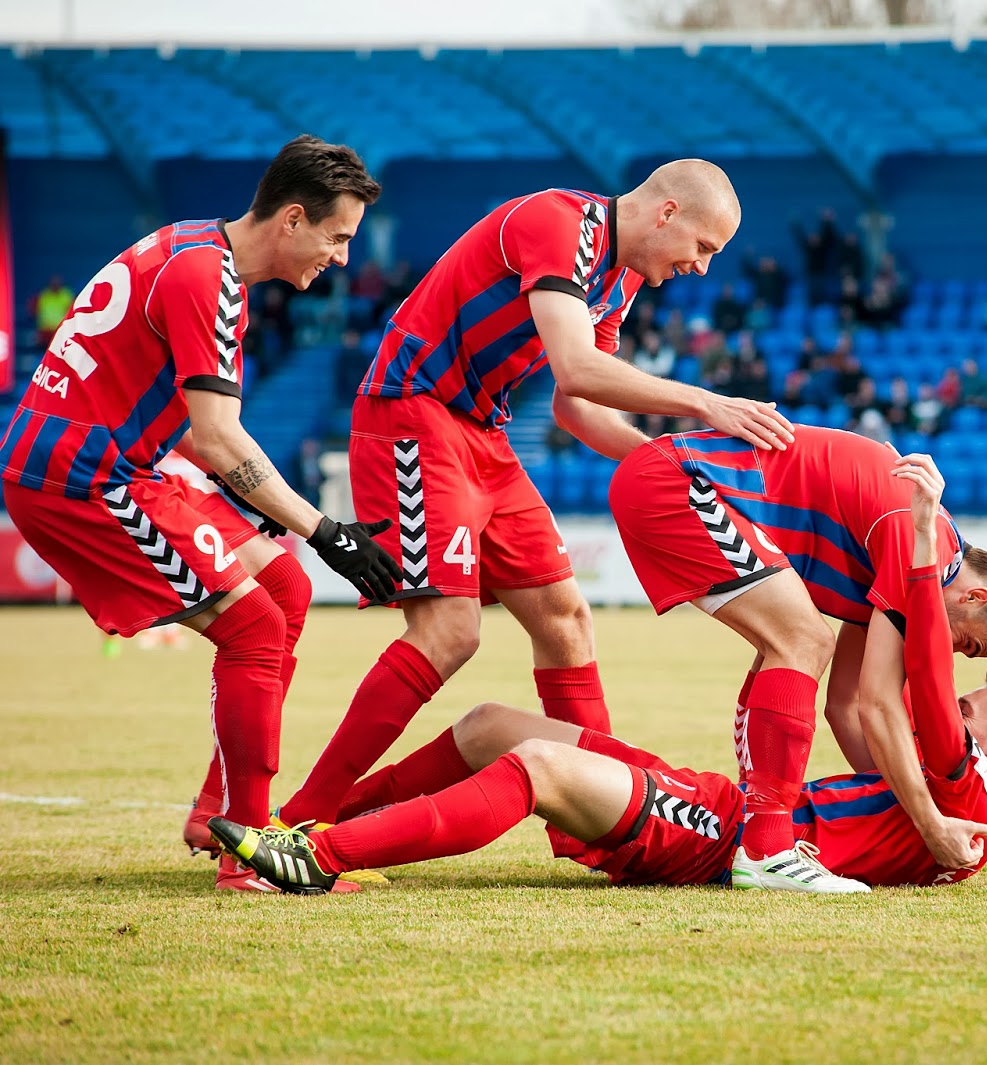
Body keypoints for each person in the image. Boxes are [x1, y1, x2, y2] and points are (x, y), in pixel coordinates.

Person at [206, 456, 987, 895]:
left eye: (971, 690)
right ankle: (303, 817)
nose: (948, 685)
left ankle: (314, 855)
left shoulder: (969, 800)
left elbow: (903, 717)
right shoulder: (933, 799)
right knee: (492, 724)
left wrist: (915, 537)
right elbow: (869, 725)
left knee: (533, 768)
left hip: (720, 840)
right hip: (720, 807)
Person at [270, 160, 794, 836]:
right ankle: (305, 815)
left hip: (481, 429)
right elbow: (576, 365)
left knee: (565, 617)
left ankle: (595, 825)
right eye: (702, 247)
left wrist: (673, 465)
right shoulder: (559, 222)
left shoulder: (623, 274)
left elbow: (578, 407)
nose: (701, 267)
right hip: (413, 410)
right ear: (666, 214)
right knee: (449, 632)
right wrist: (708, 405)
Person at [0, 135, 398, 892]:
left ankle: (216, 807)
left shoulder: (195, 250)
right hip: (82, 476)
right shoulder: (207, 278)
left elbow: (185, 417)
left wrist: (270, 510)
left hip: (111, 462)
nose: (343, 258)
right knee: (254, 625)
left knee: (285, 588)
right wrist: (324, 528)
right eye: (337, 237)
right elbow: (216, 436)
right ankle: (249, 855)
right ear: (291, 219)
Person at [609, 430, 987, 892]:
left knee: (790, 644)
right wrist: (930, 822)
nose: (952, 649)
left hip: (672, 474)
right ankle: (767, 847)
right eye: (968, 644)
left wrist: (905, 801)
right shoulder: (923, 544)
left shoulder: (923, 545)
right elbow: (877, 705)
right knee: (804, 641)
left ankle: (761, 828)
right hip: (682, 482)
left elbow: (847, 705)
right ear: (975, 597)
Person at [31, 275, 73, 349]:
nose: (55, 285)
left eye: (57, 283)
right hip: (45, 331)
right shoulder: (44, 295)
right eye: (53, 283)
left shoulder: (66, 295)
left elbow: (71, 312)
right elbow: (36, 310)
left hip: (60, 331)